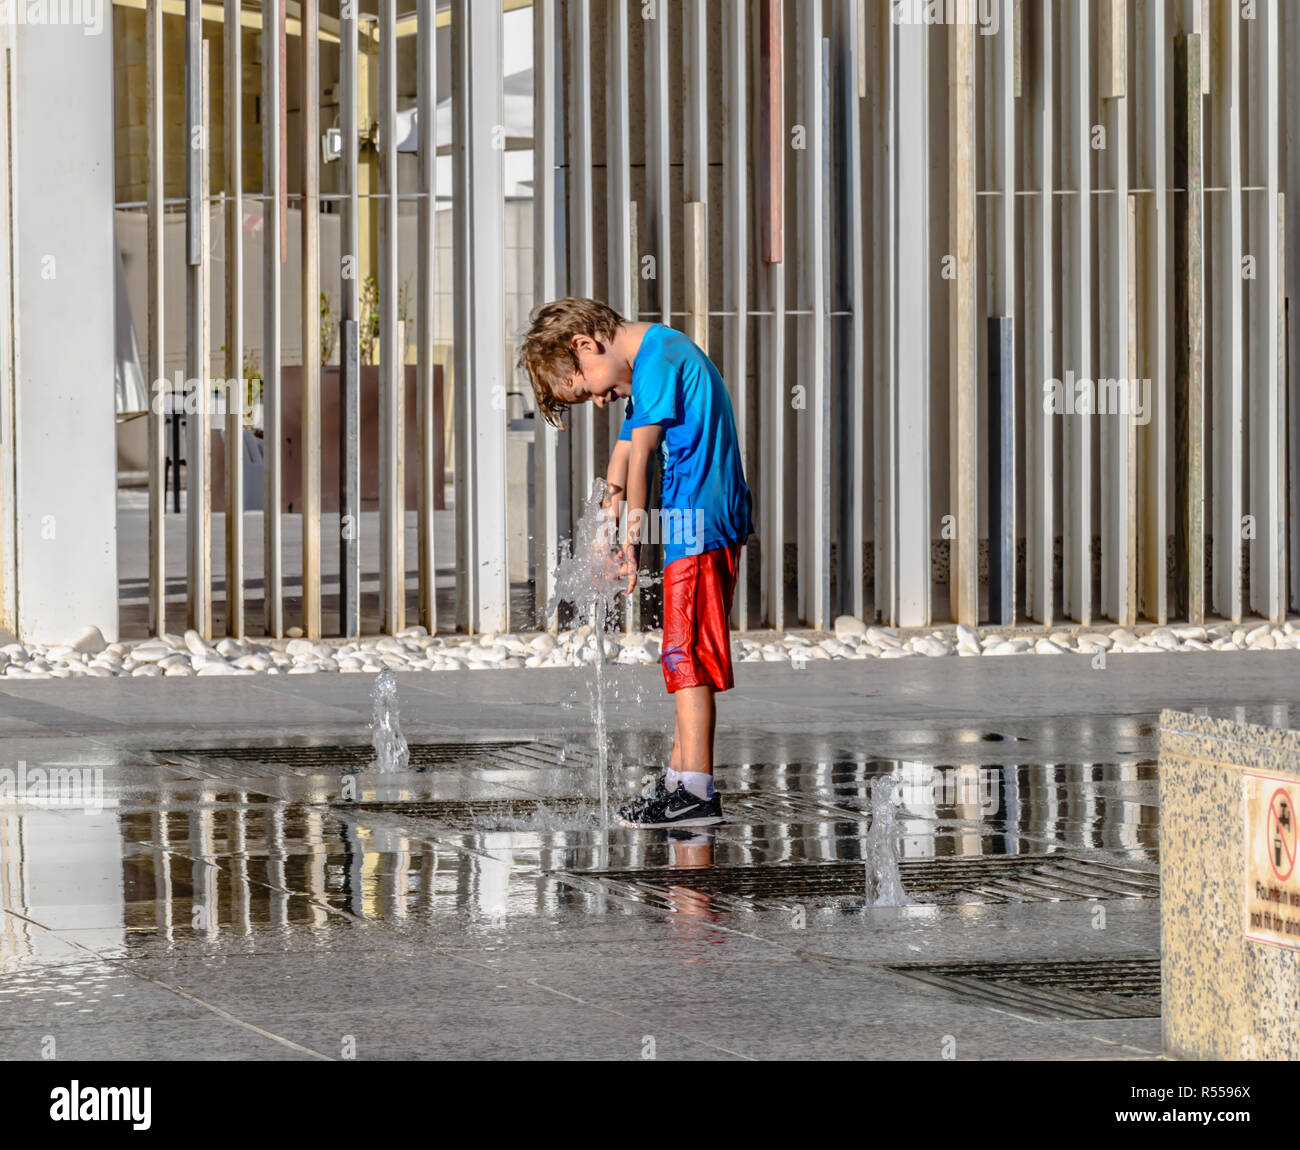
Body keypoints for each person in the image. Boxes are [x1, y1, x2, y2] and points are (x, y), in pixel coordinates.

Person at [518, 297, 753, 827]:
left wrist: (631, 543)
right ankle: (679, 779)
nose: (600, 402)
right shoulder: (650, 361)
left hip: (701, 521)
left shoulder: (659, 360)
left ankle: (697, 789)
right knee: (680, 651)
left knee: (688, 654)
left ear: (586, 345)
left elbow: (643, 456)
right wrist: (603, 535)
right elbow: (621, 458)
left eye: (590, 390)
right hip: (691, 522)